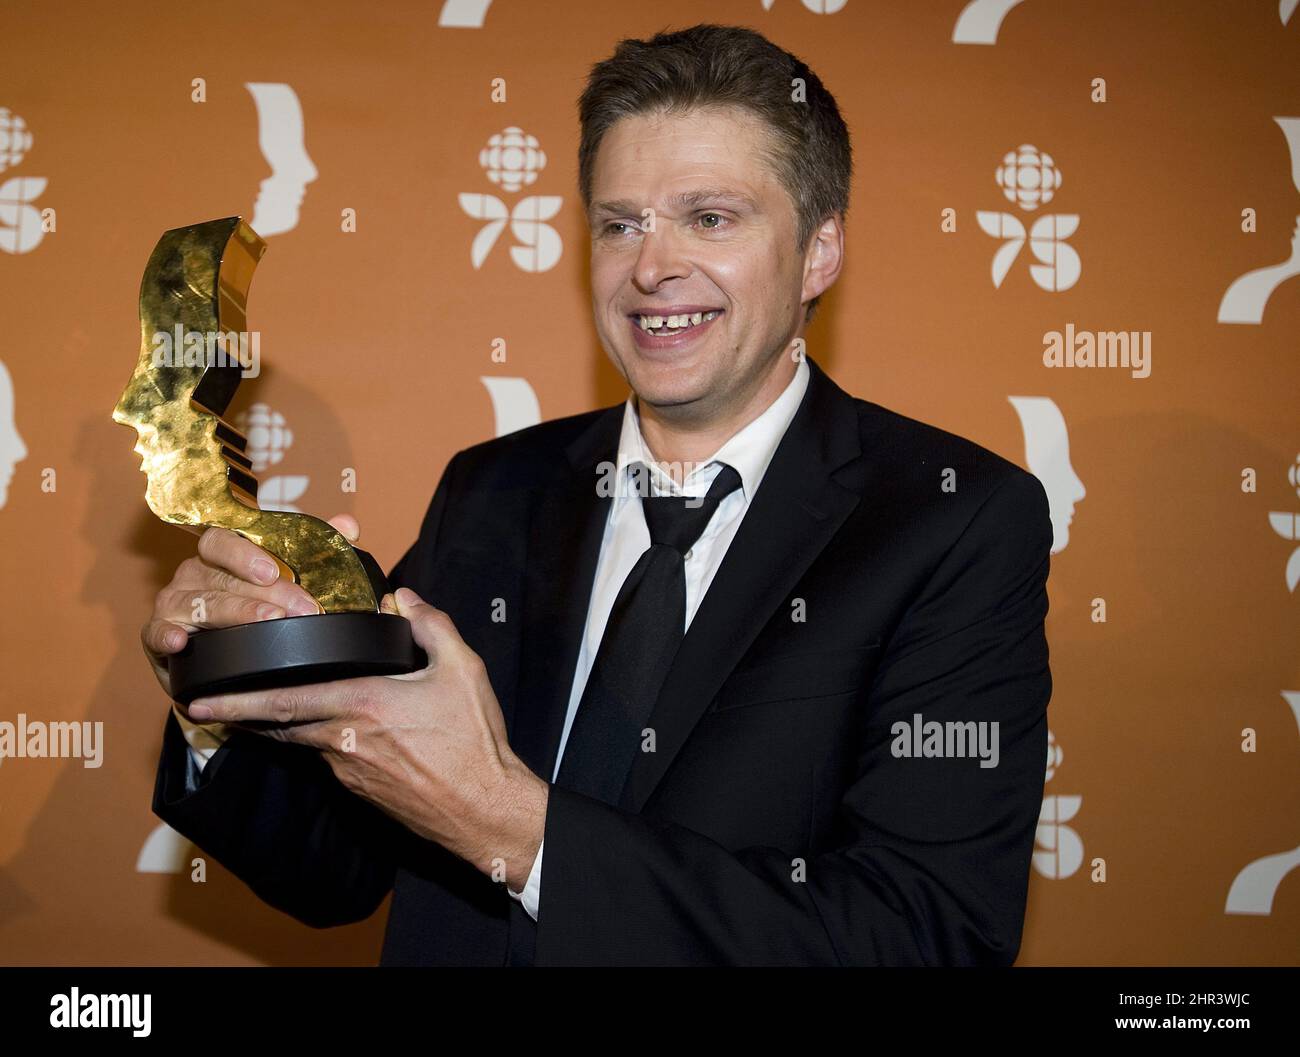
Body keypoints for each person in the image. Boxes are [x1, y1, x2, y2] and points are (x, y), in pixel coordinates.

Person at [141, 23, 1053, 966]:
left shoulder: (953, 521)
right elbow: (331, 866)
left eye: (710, 218)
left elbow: (925, 938)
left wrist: (512, 826)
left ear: (820, 251)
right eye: (620, 223)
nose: (651, 267)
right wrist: (220, 701)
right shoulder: (494, 490)